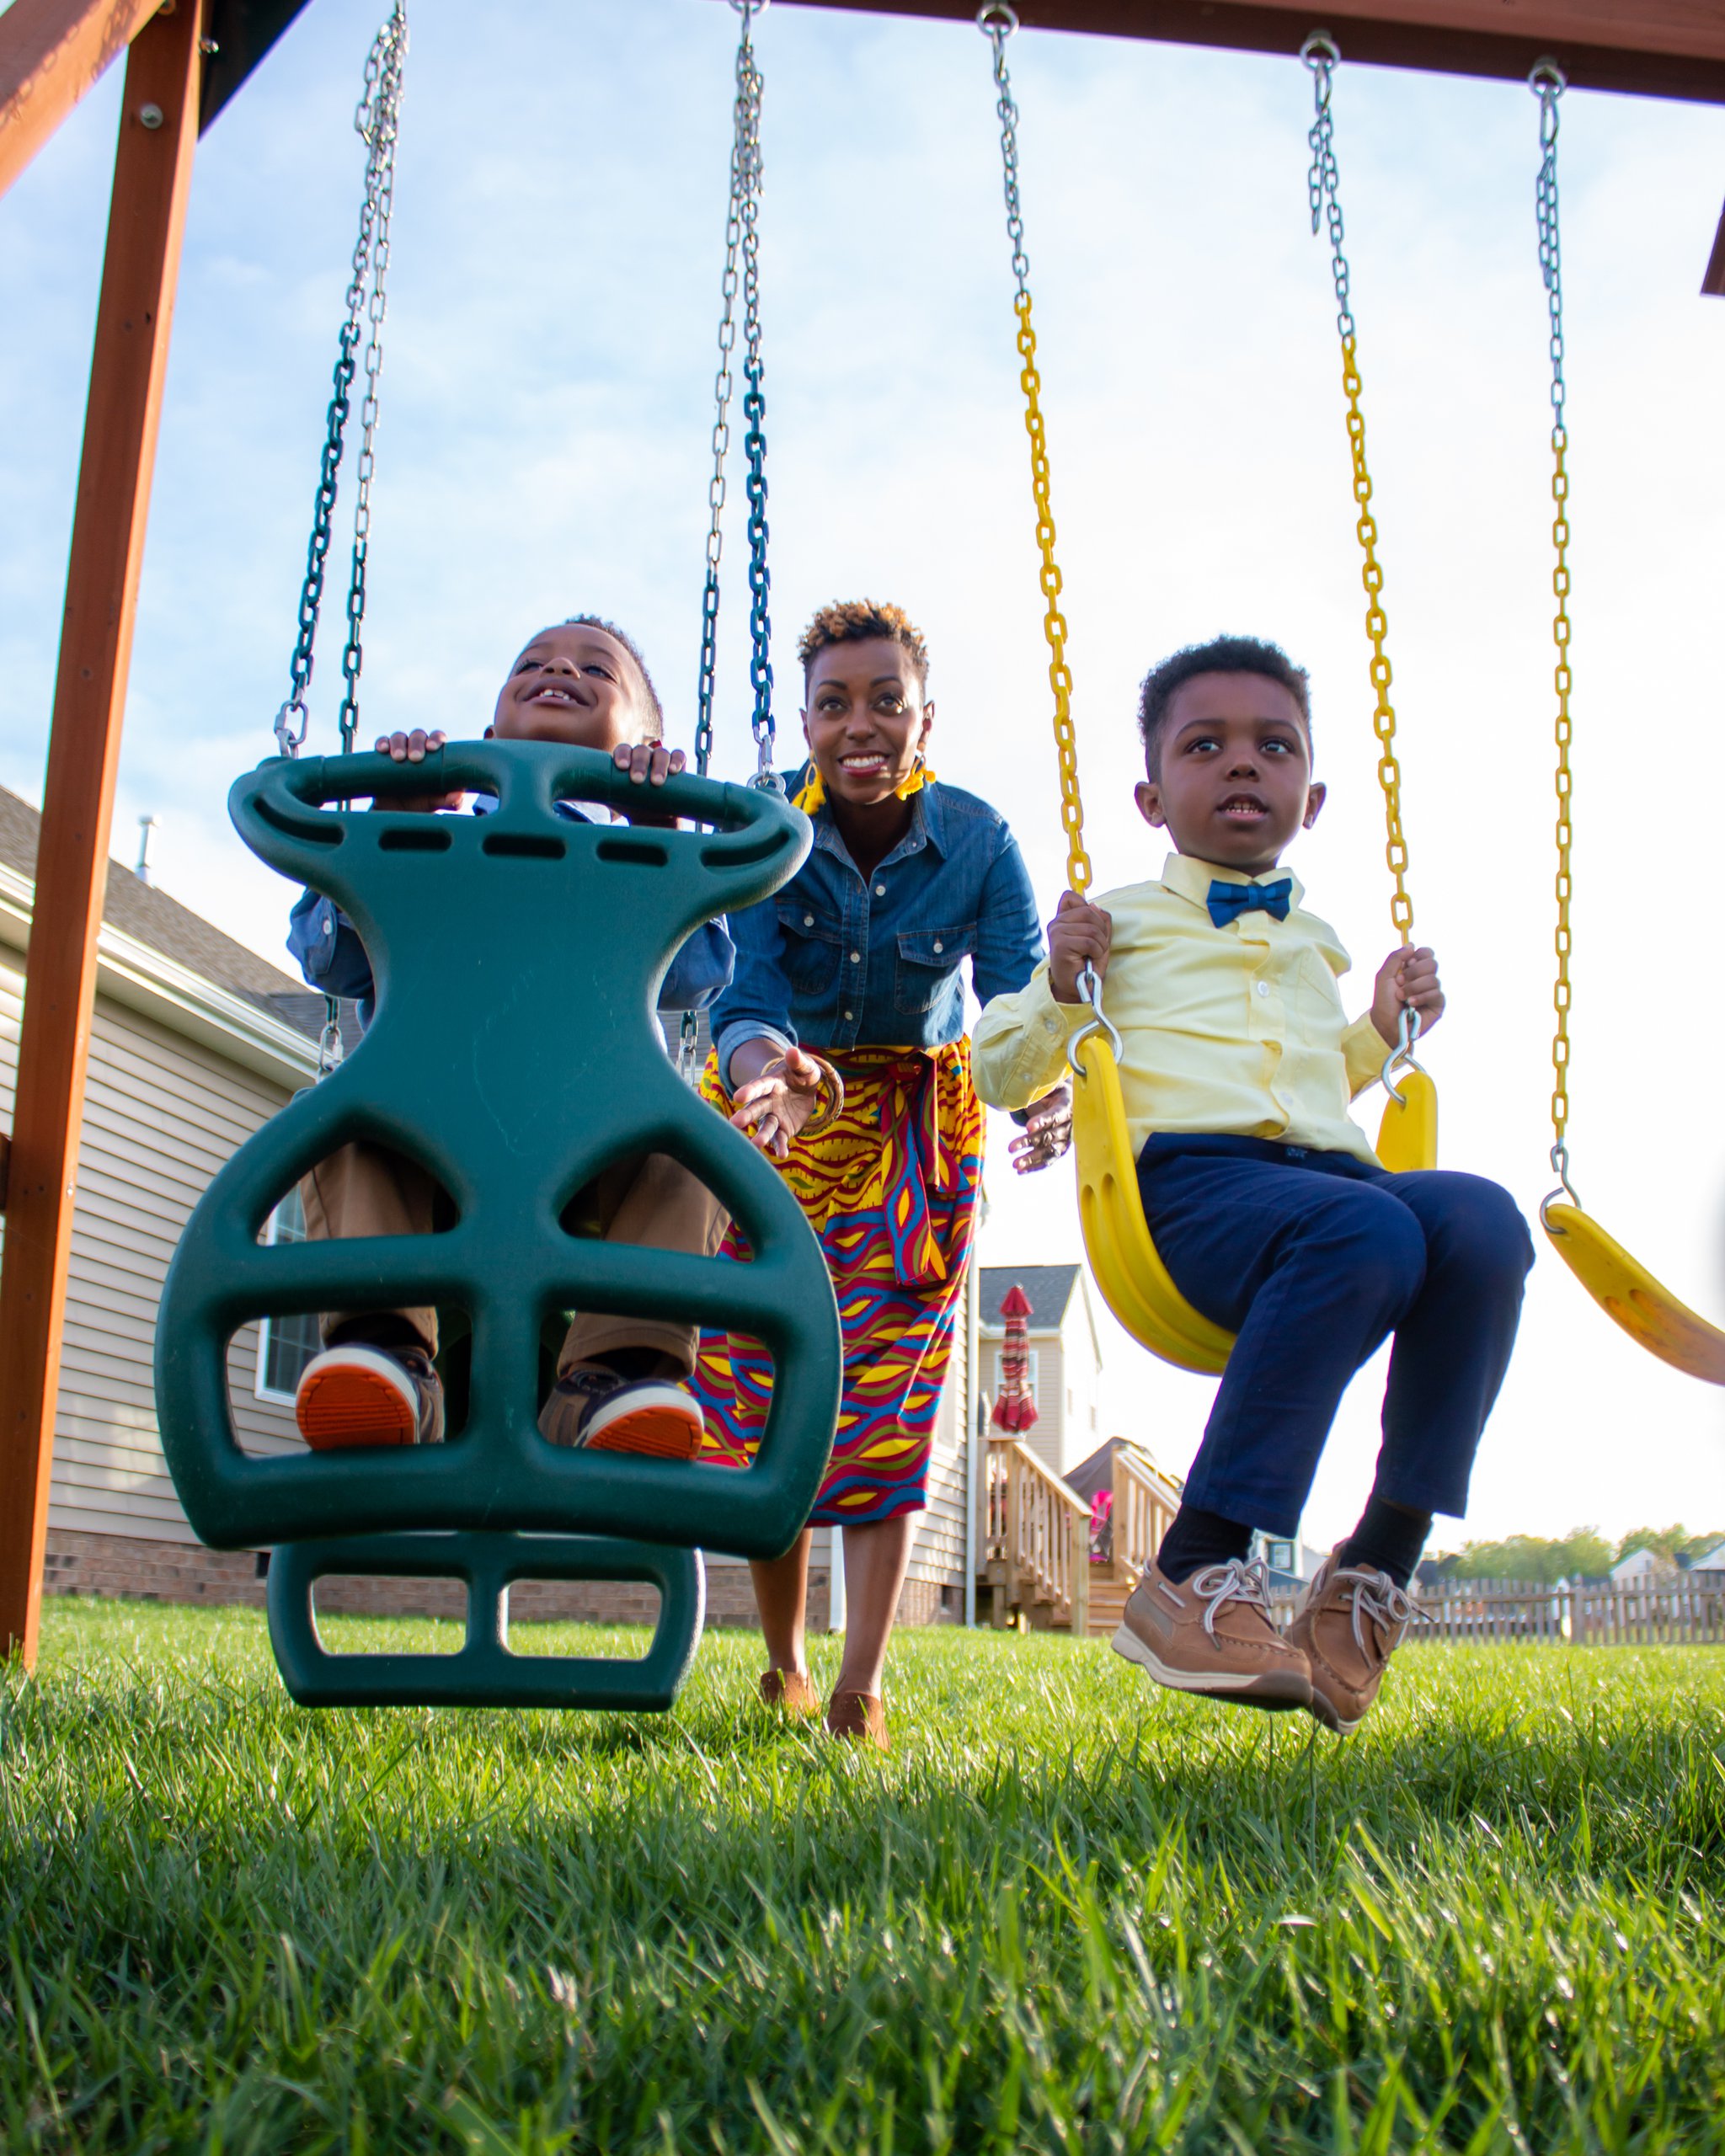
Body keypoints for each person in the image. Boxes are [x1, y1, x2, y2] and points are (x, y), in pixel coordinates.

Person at [973, 635, 1534, 1735]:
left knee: (1478, 1220)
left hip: (1329, 1188)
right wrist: (1056, 979)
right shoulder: (1119, 921)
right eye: (1207, 745)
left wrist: (1378, 1027)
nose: (1243, 764)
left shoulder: (1313, 942)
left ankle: (1374, 1568)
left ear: (1310, 796)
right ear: (1150, 794)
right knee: (1363, 1229)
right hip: (1188, 1196)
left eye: (1272, 747)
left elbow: (1321, 1086)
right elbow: (1002, 1069)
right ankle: (1196, 1568)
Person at [696, 599, 1071, 1748]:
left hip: (914, 1127)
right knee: (767, 1392)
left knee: (888, 1403)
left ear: (925, 715)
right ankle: (781, 1663)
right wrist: (766, 1074)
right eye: (834, 703)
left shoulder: (978, 838)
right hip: (782, 1108)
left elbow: (1012, 1006)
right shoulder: (765, 824)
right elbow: (741, 988)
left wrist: (1045, 1091)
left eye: (885, 701)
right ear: (807, 719)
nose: (860, 725)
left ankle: (860, 1687)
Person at [286, 615, 734, 1460]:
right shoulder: (433, 828)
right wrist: (390, 823)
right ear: (488, 732)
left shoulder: (638, 844)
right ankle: (385, 1358)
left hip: (596, 1155)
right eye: (530, 663)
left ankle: (614, 1380)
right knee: (341, 1125)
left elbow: (695, 974)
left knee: (693, 1154)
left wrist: (659, 829)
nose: (556, 669)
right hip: (420, 1137)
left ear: (648, 744)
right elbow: (327, 957)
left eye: (594, 669)